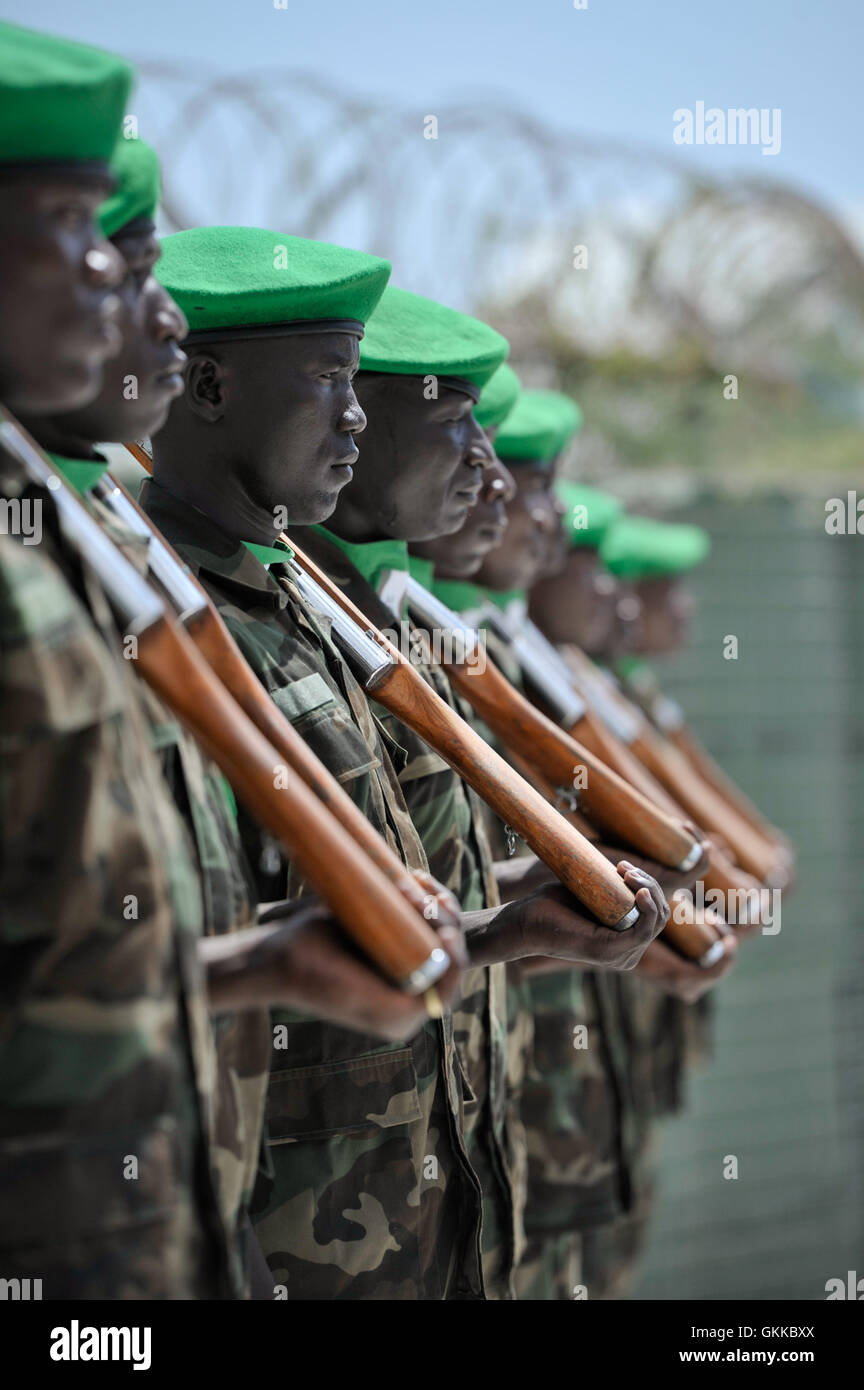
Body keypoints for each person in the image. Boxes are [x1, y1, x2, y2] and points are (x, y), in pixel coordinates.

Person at [291, 290, 670, 1294]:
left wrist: (526, 914)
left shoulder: (394, 628)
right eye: (458, 427)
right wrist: (501, 930)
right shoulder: (272, 625)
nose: (496, 483)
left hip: (469, 1159)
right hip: (321, 1221)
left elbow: (432, 879)